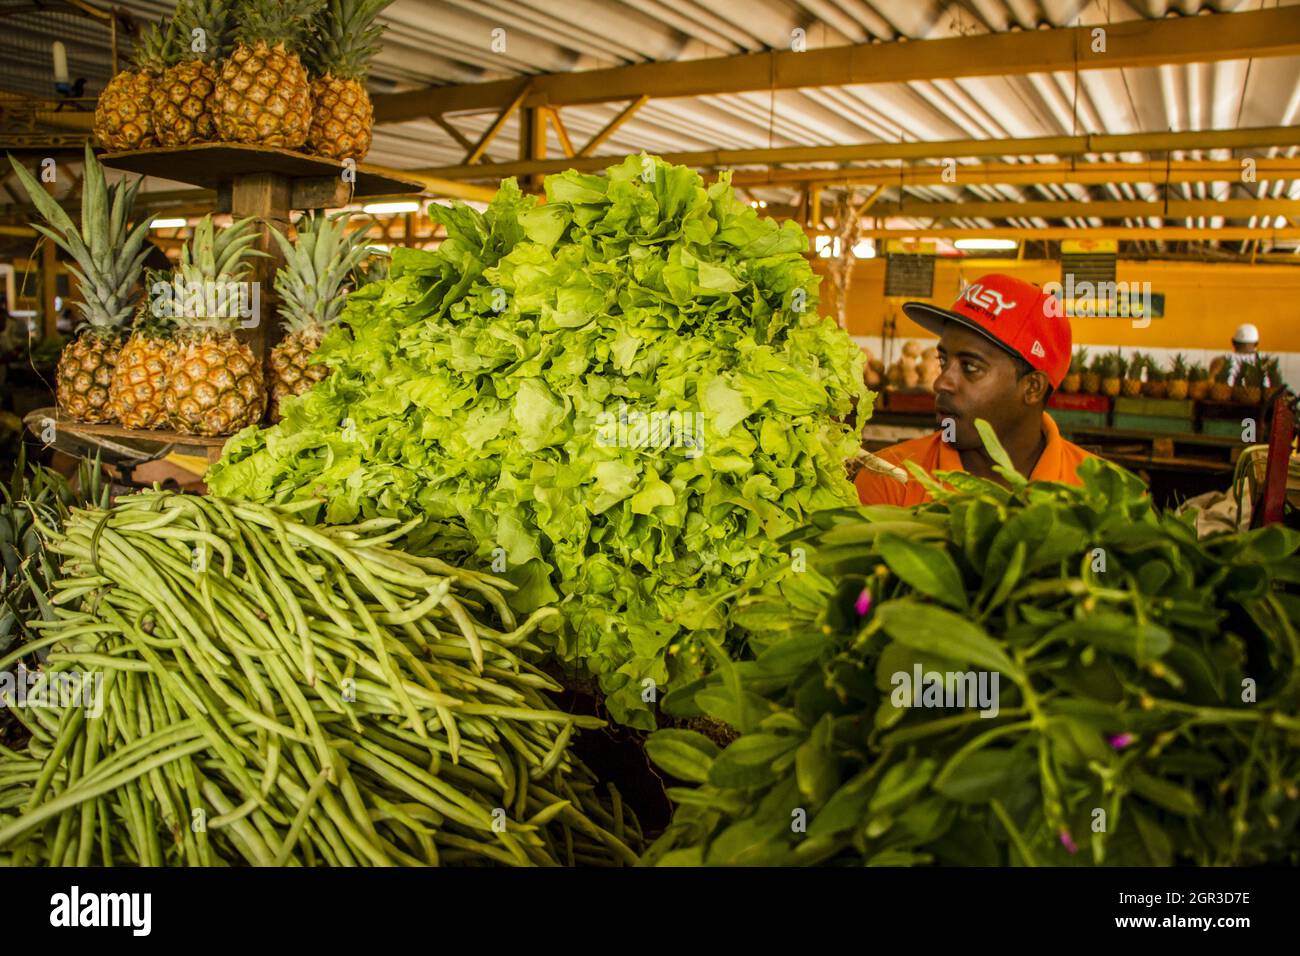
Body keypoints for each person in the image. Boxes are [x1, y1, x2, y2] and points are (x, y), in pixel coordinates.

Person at [856, 273, 1092, 506]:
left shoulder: (1098, 495)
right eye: (943, 361)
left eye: (970, 367)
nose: (940, 383)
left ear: (1032, 387)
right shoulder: (889, 481)